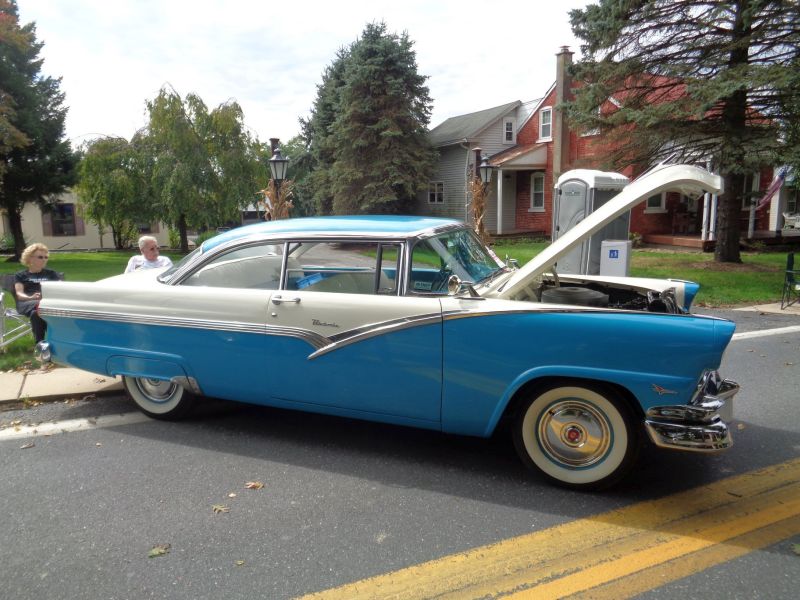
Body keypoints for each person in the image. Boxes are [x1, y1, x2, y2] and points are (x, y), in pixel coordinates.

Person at [14, 243, 63, 343]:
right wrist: (30, 297)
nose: (44, 259)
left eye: (46, 257)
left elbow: (61, 288)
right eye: (40, 257)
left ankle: (45, 343)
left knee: (36, 313)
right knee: (37, 310)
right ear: (30, 258)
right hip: (27, 302)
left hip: (47, 302)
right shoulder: (20, 275)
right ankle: (40, 342)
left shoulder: (51, 274)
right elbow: (19, 294)